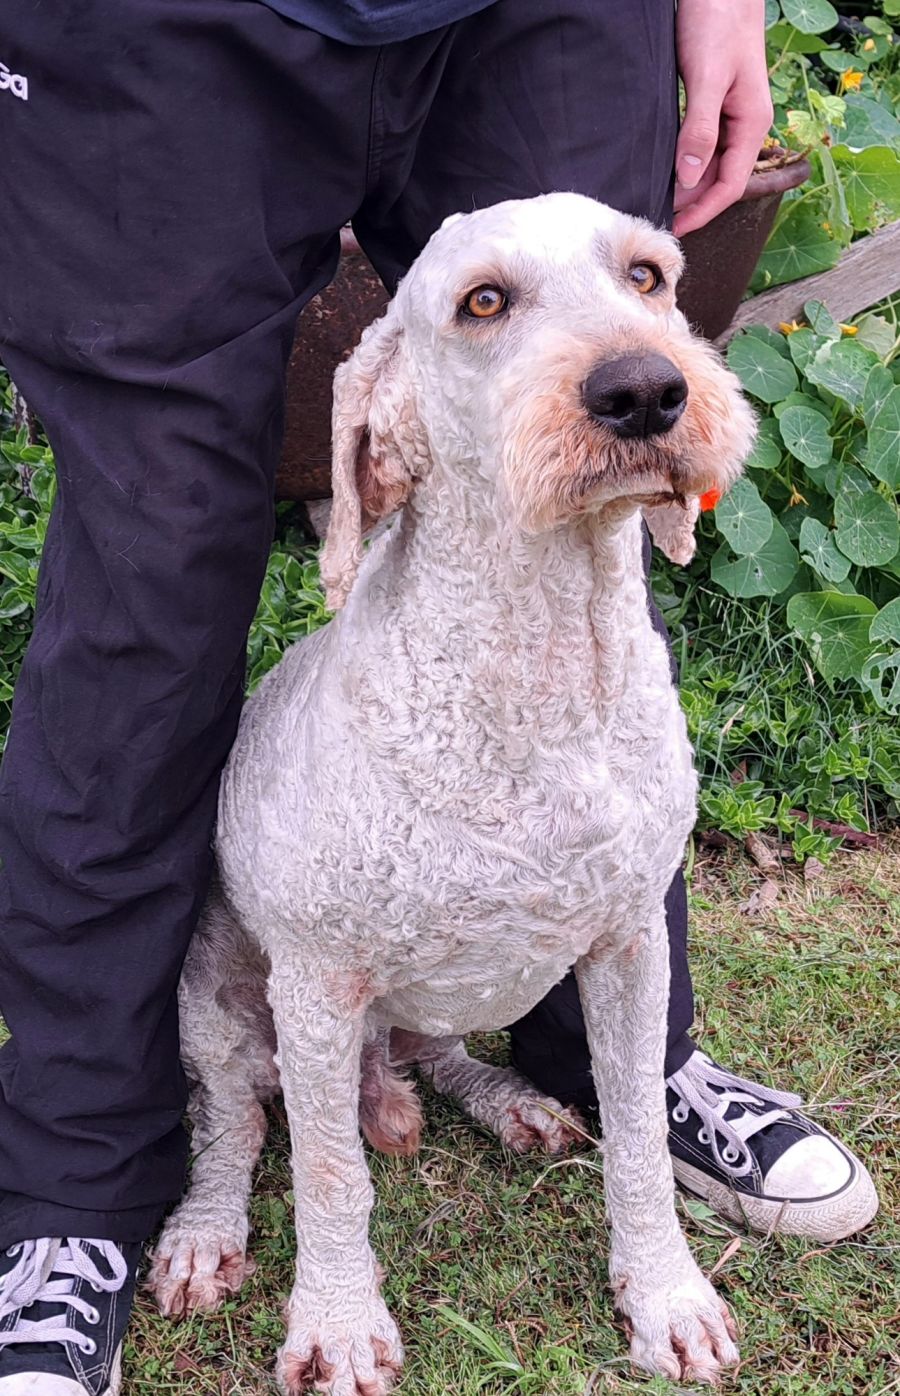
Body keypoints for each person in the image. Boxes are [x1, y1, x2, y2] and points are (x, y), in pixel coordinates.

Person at [0, 1, 877, 1391]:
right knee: (143, 579)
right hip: (149, 30)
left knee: (583, 481)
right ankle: (78, 1178)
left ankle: (625, 1066)